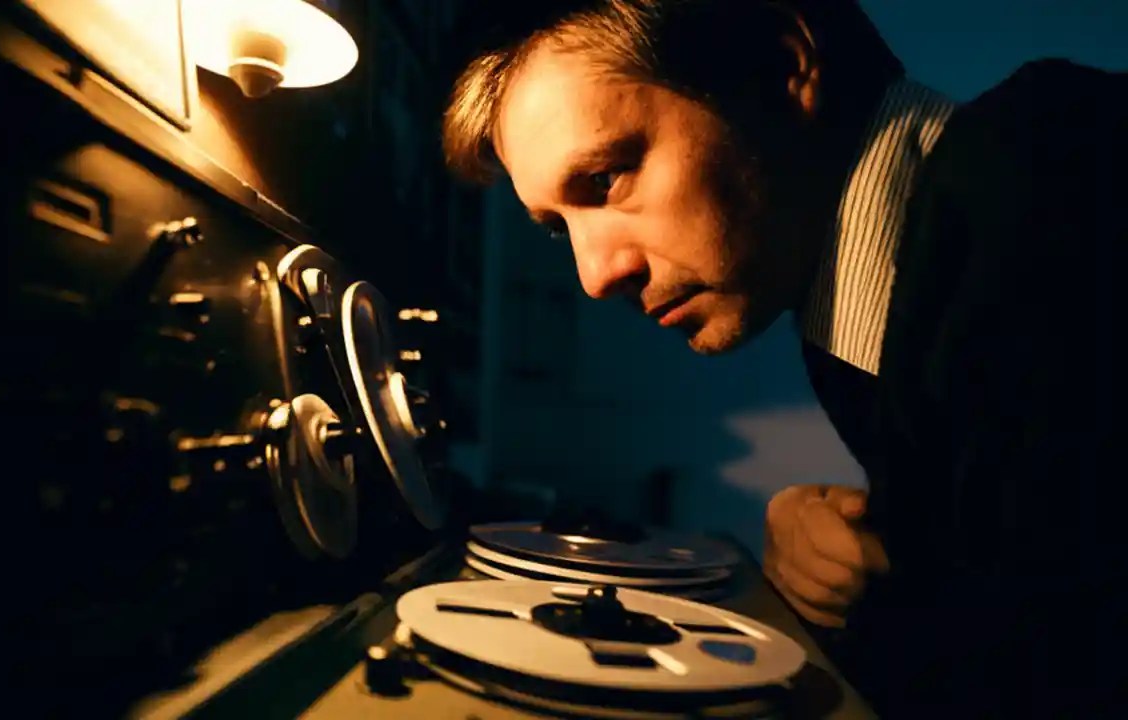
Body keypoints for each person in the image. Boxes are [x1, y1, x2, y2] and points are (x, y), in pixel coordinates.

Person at [438, 0, 1123, 717]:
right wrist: (873, 558)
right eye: (558, 228)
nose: (595, 276)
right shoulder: (865, 322)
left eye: (606, 179)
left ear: (782, 62)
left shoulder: (1062, 167)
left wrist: (900, 610)